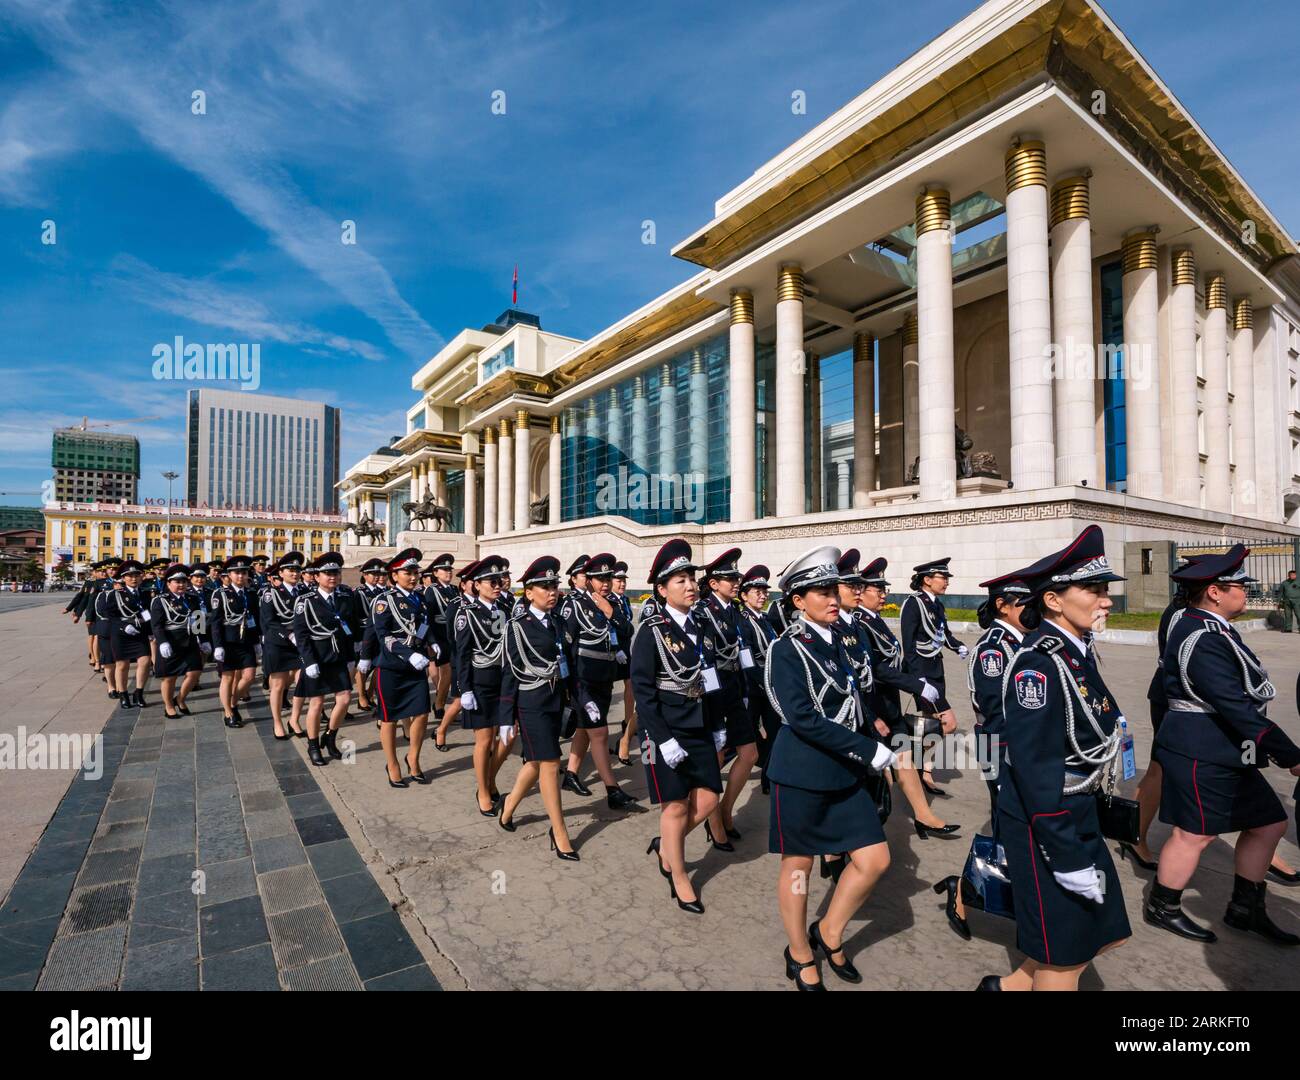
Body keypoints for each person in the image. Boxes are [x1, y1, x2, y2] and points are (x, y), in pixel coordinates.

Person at [979, 525, 1130, 992]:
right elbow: (1034, 766)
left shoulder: (1074, 650)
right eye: (1093, 590)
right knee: (1064, 958)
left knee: (1095, 935)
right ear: (1054, 601)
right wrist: (1063, 853)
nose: (1105, 601)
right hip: (1048, 819)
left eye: (1106, 591)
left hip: (1075, 811)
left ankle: (1005, 989)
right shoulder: (1039, 664)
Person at [1144, 544, 1300, 946]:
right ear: (1215, 591)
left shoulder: (1211, 628)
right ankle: (1164, 906)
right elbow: (1233, 704)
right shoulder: (1203, 635)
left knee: (1268, 822)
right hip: (1202, 747)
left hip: (1227, 746)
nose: (1245, 593)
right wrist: (1289, 756)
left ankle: (1245, 909)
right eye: (1239, 586)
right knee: (1195, 833)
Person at [765, 546, 897, 991]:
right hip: (802, 774)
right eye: (820, 592)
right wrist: (866, 749)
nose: (833, 597)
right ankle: (800, 952)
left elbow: (854, 694)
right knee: (799, 868)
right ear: (798, 601)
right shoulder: (786, 649)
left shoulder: (841, 640)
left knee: (874, 859)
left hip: (845, 771)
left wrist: (873, 735)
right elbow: (802, 718)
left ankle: (829, 930)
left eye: (832, 589)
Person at [630, 539, 725, 914]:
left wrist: (718, 725)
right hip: (663, 731)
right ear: (661, 588)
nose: (690, 585)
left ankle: (666, 846)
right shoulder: (652, 630)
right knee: (674, 807)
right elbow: (642, 689)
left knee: (707, 799)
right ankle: (679, 874)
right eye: (680, 580)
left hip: (699, 723)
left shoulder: (701, 626)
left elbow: (710, 677)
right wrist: (663, 739)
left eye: (691, 578)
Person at [935, 571, 1027, 939]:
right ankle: (963, 889)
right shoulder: (994, 648)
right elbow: (997, 707)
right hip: (1000, 744)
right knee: (1009, 825)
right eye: (1026, 604)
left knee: (1016, 825)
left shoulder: (1025, 641)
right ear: (1003, 606)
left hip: (1017, 745)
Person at [854, 557, 958, 847]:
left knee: (904, 757)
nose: (884, 594)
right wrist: (917, 685)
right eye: (878, 589)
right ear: (861, 591)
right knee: (878, 771)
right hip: (873, 705)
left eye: (884, 588)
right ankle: (857, 839)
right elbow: (877, 668)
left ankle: (924, 816)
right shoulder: (859, 623)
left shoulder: (873, 620)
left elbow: (894, 659)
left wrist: (918, 684)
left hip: (889, 703)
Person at [497, 556, 580, 859]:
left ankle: (508, 807)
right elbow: (509, 673)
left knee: (534, 763)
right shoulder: (518, 627)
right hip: (531, 704)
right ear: (529, 592)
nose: (551, 590)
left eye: (554, 585)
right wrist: (506, 717)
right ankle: (558, 831)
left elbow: (566, 665)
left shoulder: (558, 622)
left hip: (555, 700)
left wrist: (579, 701)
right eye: (544, 586)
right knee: (549, 762)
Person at [560, 553, 639, 810]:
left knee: (586, 729)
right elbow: (567, 649)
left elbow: (627, 630)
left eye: (607, 577)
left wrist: (611, 612)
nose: (605, 583)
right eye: (598, 578)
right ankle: (612, 789)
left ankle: (571, 774)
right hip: (584, 681)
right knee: (601, 733)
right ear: (588, 580)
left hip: (603, 679)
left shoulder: (609, 603)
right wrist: (572, 689)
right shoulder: (574, 605)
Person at [372, 548, 439, 787]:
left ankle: (413, 756)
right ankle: (392, 763)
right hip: (391, 667)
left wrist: (432, 642)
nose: (413, 577)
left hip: (415, 666)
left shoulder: (419, 598)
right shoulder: (383, 601)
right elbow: (384, 636)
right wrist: (408, 654)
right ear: (394, 575)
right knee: (389, 718)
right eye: (407, 573)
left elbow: (423, 626)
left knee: (422, 712)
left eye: (415, 572)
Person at [899, 556, 966, 796]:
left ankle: (923, 771)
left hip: (936, 671)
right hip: (923, 674)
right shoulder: (913, 604)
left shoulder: (937, 605)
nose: (946, 582)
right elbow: (908, 645)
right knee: (948, 723)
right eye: (943, 577)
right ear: (927, 580)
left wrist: (958, 645)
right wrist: (918, 679)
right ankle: (913, 761)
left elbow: (942, 634)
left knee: (931, 722)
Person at [454, 555, 512, 815]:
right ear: (477, 585)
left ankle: (489, 778)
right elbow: (462, 655)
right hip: (479, 682)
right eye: (491, 581)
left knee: (509, 737)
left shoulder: (504, 610)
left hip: (504, 681)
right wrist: (464, 689)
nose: (497, 585)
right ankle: (484, 790)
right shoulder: (466, 615)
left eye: (499, 580)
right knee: (485, 740)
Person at [291, 552, 354, 767]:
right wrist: (308, 662)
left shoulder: (345, 597)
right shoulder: (305, 601)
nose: (332, 577)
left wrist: (352, 656)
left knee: (344, 699)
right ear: (316, 577)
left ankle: (330, 736)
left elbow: (349, 628)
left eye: (335, 572)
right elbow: (301, 634)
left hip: (338, 657)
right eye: (327, 573)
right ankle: (313, 745)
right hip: (316, 658)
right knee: (316, 703)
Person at [736, 565, 778, 793]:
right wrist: (766, 682)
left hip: (766, 685)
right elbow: (748, 659)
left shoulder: (764, 619)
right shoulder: (743, 621)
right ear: (744, 595)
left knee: (774, 730)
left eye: (764, 591)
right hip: (752, 686)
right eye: (757, 591)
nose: (762, 595)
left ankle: (768, 779)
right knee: (745, 735)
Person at [208, 554, 260, 728]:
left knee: (249, 676)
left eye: (244, 573)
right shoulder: (220, 594)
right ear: (229, 575)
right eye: (236, 573)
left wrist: (257, 640)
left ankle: (232, 703)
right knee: (228, 678)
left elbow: (254, 619)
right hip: (228, 642)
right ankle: (229, 713)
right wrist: (218, 646)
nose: (240, 576)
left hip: (246, 641)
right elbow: (215, 622)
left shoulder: (251, 593)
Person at [260, 551, 306, 739]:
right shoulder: (270, 594)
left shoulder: (304, 592)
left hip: (299, 643)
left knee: (303, 681)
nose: (294, 573)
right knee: (278, 685)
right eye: (290, 570)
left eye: (297, 570)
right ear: (281, 573)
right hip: (278, 642)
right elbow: (269, 621)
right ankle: (277, 721)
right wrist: (289, 634)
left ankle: (294, 719)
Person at [150, 563, 203, 718]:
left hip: (190, 641)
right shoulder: (161, 600)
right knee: (170, 677)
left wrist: (203, 639)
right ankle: (168, 706)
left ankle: (180, 698)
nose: (181, 585)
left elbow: (198, 620)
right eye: (177, 582)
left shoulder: (193, 598)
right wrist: (162, 642)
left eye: (184, 581)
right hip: (171, 641)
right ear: (168, 583)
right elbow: (157, 624)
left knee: (195, 672)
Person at [108, 559, 153, 709]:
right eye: (130, 576)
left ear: (141, 577)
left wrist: (151, 632)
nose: (133, 578)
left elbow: (147, 614)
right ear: (123, 577)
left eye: (136, 575)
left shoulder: (145, 594)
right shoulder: (116, 594)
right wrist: (124, 626)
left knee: (145, 661)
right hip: (121, 633)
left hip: (139, 632)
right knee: (122, 665)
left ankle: (139, 692)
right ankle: (123, 694)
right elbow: (111, 615)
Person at [612, 561, 639, 765]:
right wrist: (616, 648)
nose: (621, 584)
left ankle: (627, 723)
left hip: (625, 651)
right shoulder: (608, 600)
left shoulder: (625, 601)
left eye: (623, 580)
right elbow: (608, 626)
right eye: (618, 580)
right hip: (614, 651)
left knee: (630, 686)